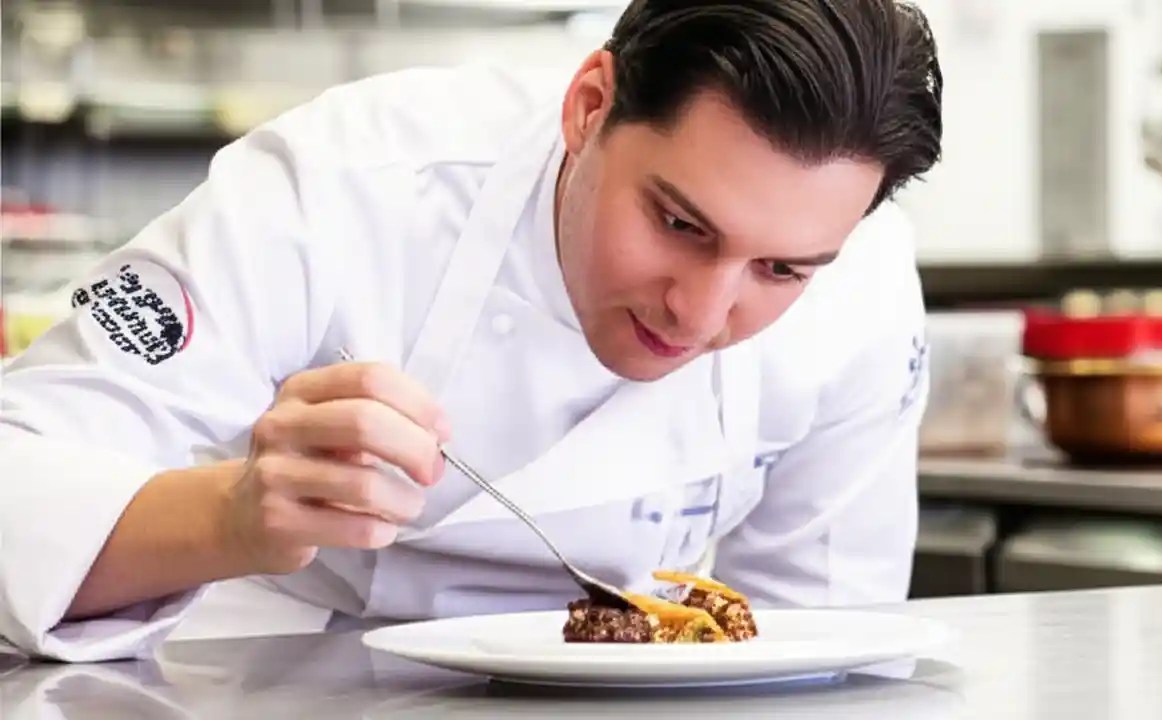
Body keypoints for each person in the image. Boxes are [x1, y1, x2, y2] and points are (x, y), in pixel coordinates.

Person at [0, 0, 942, 662]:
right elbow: (20, 484)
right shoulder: (344, 182)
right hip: (250, 675)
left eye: (779, 270)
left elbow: (828, 647)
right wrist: (232, 513)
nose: (698, 314)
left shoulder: (858, 291)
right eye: (679, 225)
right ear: (589, 107)